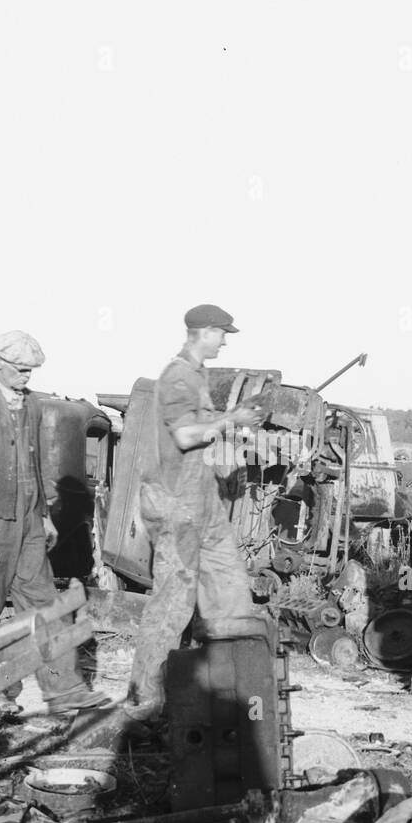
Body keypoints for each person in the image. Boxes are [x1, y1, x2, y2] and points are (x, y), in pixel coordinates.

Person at [0, 330, 109, 716]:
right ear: (0, 365)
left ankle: (64, 692)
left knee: (44, 606)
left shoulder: (31, 405)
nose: (26, 377)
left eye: (31, 371)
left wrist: (43, 516)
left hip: (30, 525)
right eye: (21, 370)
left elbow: (35, 465)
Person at [124, 304, 264, 721]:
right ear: (203, 332)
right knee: (172, 604)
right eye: (222, 333)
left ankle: (230, 688)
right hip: (177, 507)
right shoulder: (179, 375)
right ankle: (144, 698)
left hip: (200, 502)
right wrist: (232, 419)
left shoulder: (195, 374)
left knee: (229, 588)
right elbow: (185, 436)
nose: (225, 340)